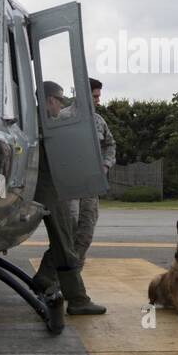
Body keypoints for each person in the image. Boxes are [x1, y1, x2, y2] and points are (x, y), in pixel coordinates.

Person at [32, 80, 105, 315]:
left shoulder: (34, 120)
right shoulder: (46, 124)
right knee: (66, 243)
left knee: (66, 240)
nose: (60, 106)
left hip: (47, 187)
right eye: (59, 101)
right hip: (50, 189)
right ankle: (77, 299)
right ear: (50, 100)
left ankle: (45, 280)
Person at [70, 78, 116, 266]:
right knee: (67, 235)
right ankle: (51, 281)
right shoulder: (63, 117)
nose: (98, 100)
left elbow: (110, 144)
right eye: (95, 96)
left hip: (90, 187)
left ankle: (73, 278)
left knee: (86, 234)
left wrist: (105, 165)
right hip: (69, 187)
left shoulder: (99, 121)